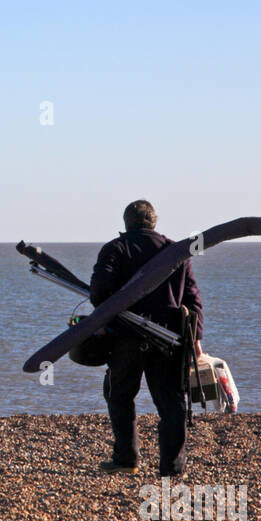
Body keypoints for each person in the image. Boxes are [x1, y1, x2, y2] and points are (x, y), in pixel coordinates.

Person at [90, 200, 203, 477]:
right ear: (154, 222)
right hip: (171, 338)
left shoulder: (115, 249)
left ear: (127, 222)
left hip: (127, 337)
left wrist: (103, 323)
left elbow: (99, 294)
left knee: (119, 395)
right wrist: (196, 337)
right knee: (171, 403)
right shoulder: (174, 251)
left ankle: (126, 460)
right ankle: (172, 470)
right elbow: (192, 298)